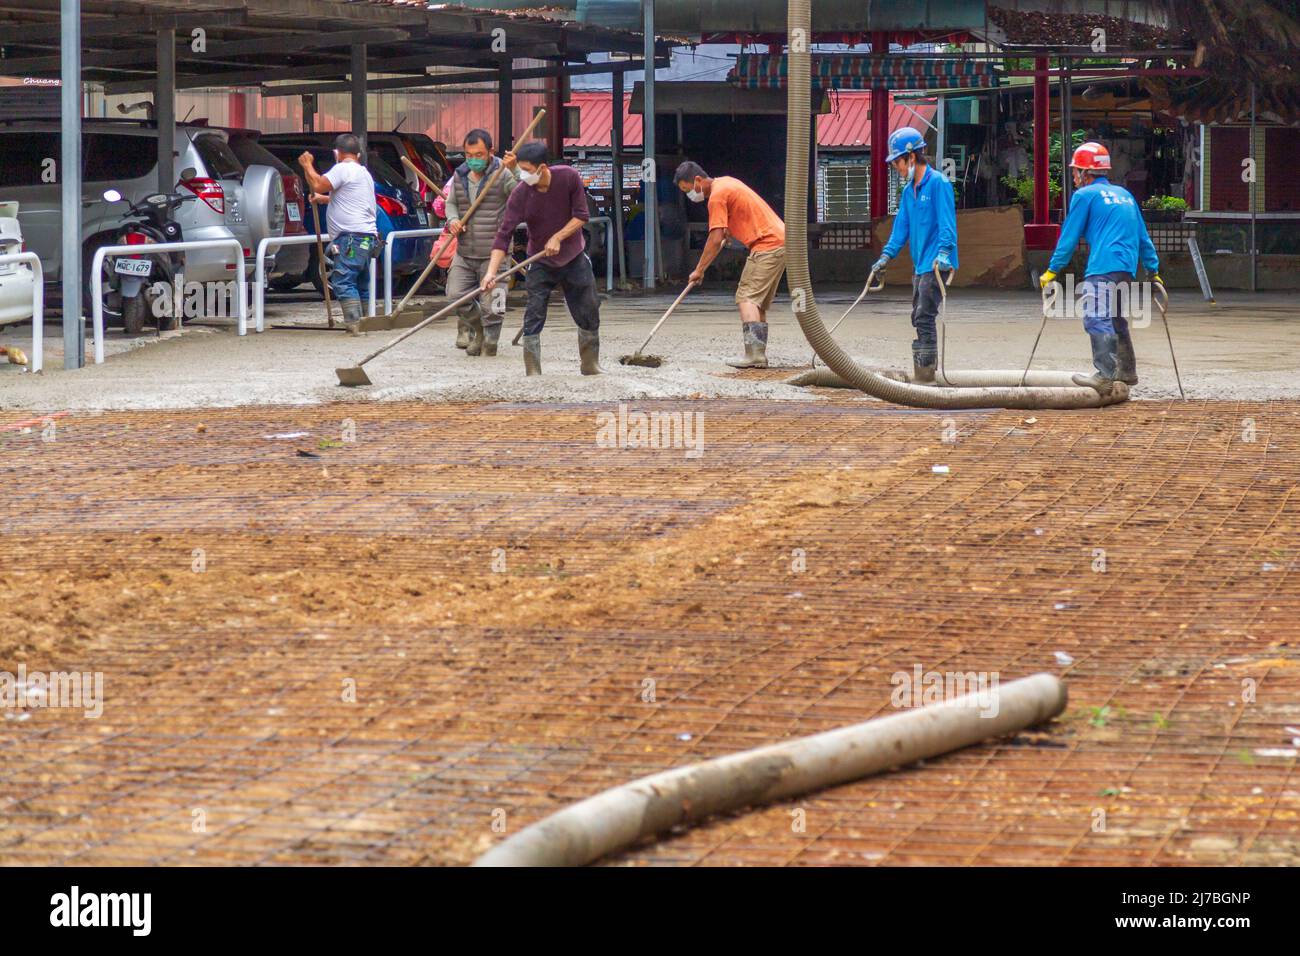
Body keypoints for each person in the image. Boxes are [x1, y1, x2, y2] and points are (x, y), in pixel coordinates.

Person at [1040, 141, 1162, 394]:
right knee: (1115, 317)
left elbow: (1069, 237)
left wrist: (1052, 270)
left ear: (1086, 173)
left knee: (1096, 316)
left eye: (1075, 171)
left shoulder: (1084, 196)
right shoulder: (1125, 195)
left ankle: (1105, 375)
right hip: (1126, 267)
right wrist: (1153, 271)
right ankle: (1127, 372)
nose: (1073, 177)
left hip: (1103, 265)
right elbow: (1143, 237)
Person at [481, 141, 600, 376]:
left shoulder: (569, 177)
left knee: (587, 310)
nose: (522, 174)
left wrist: (558, 236)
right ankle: (532, 368)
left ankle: (590, 363)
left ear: (542, 168)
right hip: (540, 259)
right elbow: (503, 235)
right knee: (534, 311)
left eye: (525, 169)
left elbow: (581, 215)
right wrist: (491, 272)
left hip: (574, 255)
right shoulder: (520, 193)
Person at [674, 161, 786, 368]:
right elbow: (738, 215)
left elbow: (715, 239)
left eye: (688, 189)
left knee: (747, 298)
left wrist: (698, 270)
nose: (690, 195)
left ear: (698, 180)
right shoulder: (726, 182)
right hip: (779, 241)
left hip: (767, 244)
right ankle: (758, 354)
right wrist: (729, 230)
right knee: (757, 302)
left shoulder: (716, 196)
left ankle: (754, 355)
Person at [870, 127, 959, 383]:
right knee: (916, 315)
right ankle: (923, 369)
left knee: (924, 315)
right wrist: (886, 256)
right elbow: (901, 229)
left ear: (911, 156)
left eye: (897, 161)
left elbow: (947, 224)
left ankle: (926, 374)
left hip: (936, 262)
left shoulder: (939, 184)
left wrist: (944, 253)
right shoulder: (909, 192)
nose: (896, 167)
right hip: (920, 265)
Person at [442, 128, 518, 357]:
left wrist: (516, 171)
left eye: (479, 155)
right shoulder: (460, 175)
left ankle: (491, 341)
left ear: (490, 152)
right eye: (469, 155)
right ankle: (478, 331)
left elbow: (523, 196)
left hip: (495, 251)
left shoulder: (503, 174)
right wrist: (453, 220)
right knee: (455, 297)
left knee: (493, 304)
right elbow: (451, 203)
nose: (473, 160)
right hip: (465, 250)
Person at [298, 134, 377, 335]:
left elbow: (318, 183)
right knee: (360, 282)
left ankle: (354, 324)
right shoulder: (363, 173)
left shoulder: (343, 168)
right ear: (358, 154)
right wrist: (322, 198)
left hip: (350, 238)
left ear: (337, 153)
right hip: (366, 237)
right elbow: (347, 200)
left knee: (343, 281)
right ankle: (365, 322)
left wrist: (307, 165)